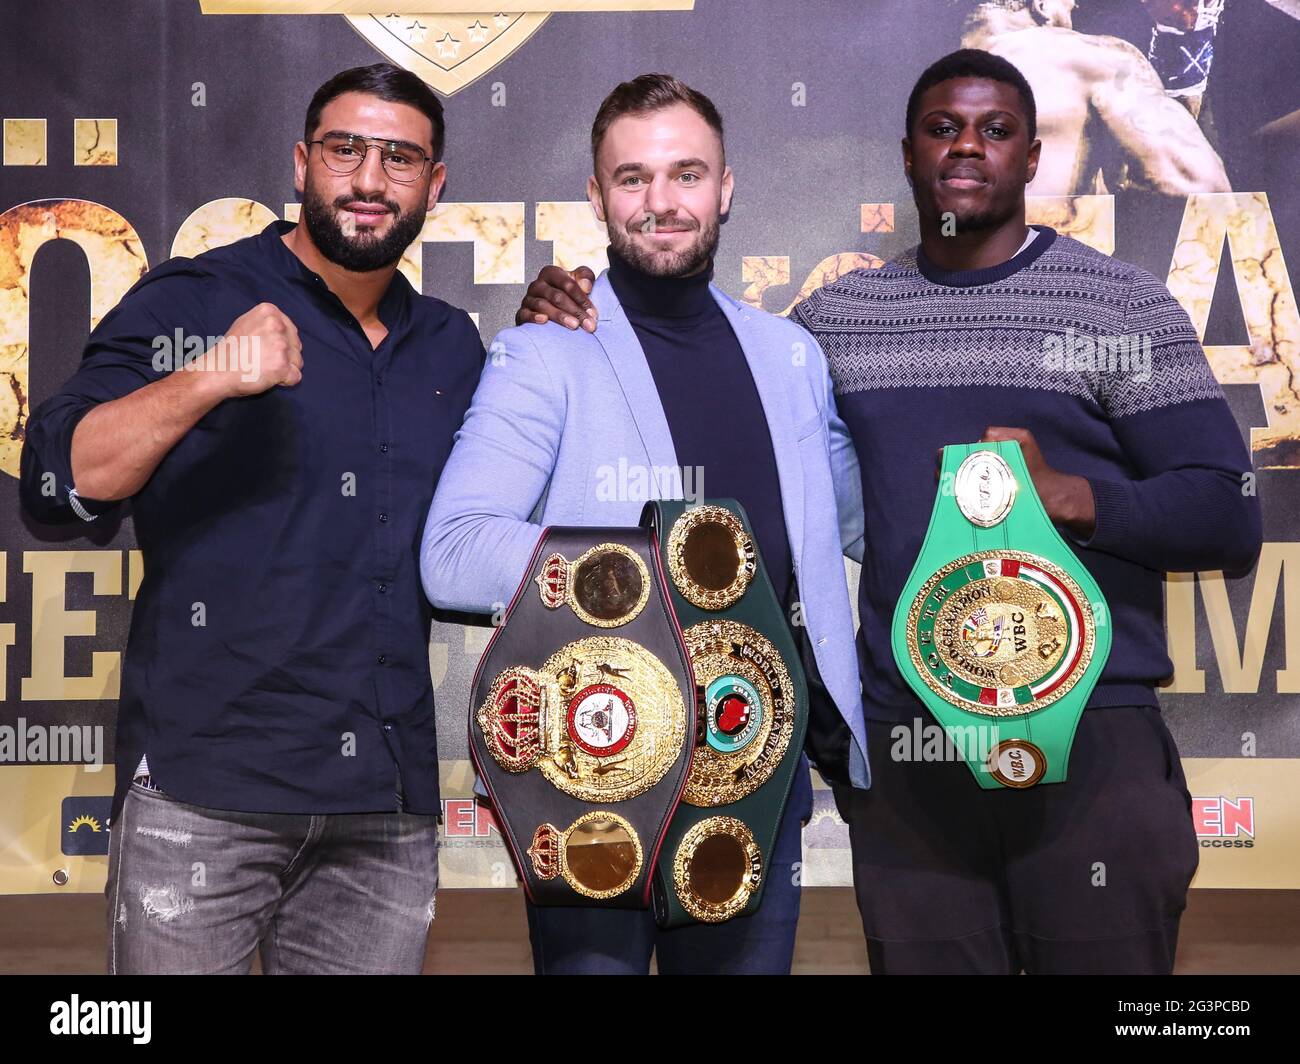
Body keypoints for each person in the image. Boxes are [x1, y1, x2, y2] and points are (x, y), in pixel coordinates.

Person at [513, 49, 1262, 974]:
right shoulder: (834, 322)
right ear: (907, 156)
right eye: (944, 129)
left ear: (1033, 157)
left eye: (997, 131)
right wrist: (560, 306)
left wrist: (1068, 497)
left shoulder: (1119, 305)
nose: (968, 148)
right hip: (910, 747)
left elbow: (1227, 515)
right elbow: (722, 395)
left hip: (1087, 737)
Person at [20, 63, 484, 974]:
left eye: (400, 158)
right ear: (302, 164)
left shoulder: (451, 344)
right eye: (345, 149)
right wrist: (211, 376)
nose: (368, 179)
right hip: (205, 800)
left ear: (434, 187)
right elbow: (58, 482)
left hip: (383, 814)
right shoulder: (194, 299)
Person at [420, 74, 869, 975]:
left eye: (686, 174)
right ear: (596, 196)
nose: (661, 203)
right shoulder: (542, 352)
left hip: (756, 771)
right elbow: (454, 553)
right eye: (633, 179)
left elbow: (854, 525)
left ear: (727, 188)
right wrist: (649, 578)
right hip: (594, 765)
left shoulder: (791, 357)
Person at [957, 0, 1229, 194]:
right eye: (1070, 5)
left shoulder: (929, 83)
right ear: (1041, 5)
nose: (1074, 14)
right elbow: (1201, 185)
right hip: (1054, 267)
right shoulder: (1096, 58)